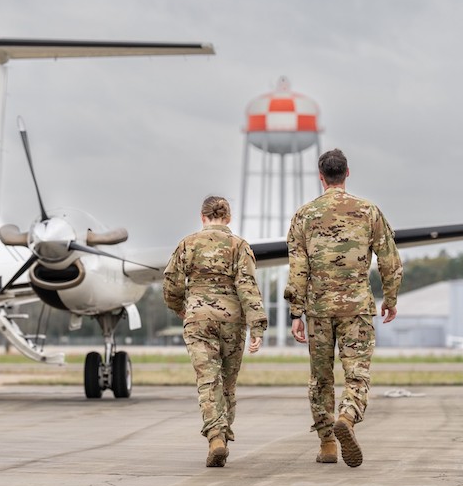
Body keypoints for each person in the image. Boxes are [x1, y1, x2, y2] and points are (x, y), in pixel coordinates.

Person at [284, 149, 403, 468]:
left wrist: (296, 312)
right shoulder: (369, 211)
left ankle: (326, 444)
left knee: (320, 378)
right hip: (357, 308)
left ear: (320, 176)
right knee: (357, 372)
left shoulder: (304, 215)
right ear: (347, 173)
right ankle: (348, 416)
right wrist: (390, 298)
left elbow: (298, 268)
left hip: (319, 310)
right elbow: (389, 260)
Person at [163, 196, 268, 468]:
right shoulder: (239, 246)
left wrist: (181, 309)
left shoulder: (187, 244)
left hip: (198, 318)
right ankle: (223, 434)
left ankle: (215, 438)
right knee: (228, 384)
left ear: (202, 217)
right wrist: (257, 325)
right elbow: (248, 287)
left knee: (208, 380)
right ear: (228, 218)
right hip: (232, 319)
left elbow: (171, 285)